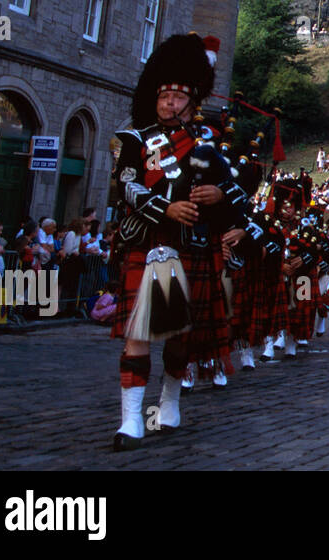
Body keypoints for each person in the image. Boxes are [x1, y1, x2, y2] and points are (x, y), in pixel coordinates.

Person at [110, 33, 249, 451]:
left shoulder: (208, 146)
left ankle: (169, 400)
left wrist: (219, 195)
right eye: (164, 96)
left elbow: (239, 194)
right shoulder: (136, 140)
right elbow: (127, 185)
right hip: (148, 241)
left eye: (178, 97)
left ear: (193, 101)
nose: (169, 103)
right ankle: (130, 419)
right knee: (138, 334)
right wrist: (165, 208)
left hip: (191, 247)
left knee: (178, 338)